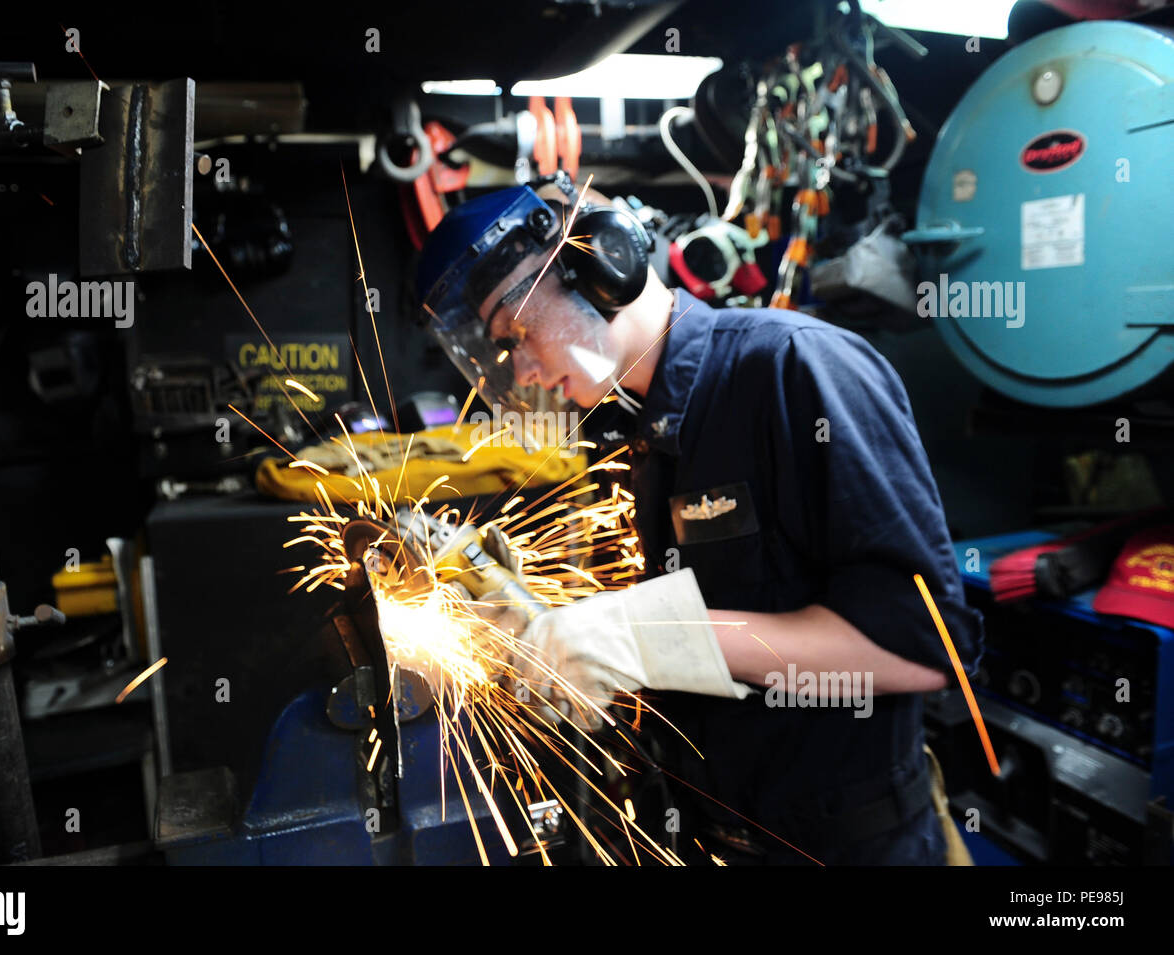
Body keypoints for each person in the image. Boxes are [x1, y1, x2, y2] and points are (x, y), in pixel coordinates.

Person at [412, 179, 983, 865]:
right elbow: (724, 626)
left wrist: (647, 635)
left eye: (522, 333)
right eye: (504, 354)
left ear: (603, 269)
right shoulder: (645, 431)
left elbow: (923, 652)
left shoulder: (793, 367)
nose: (525, 371)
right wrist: (550, 627)